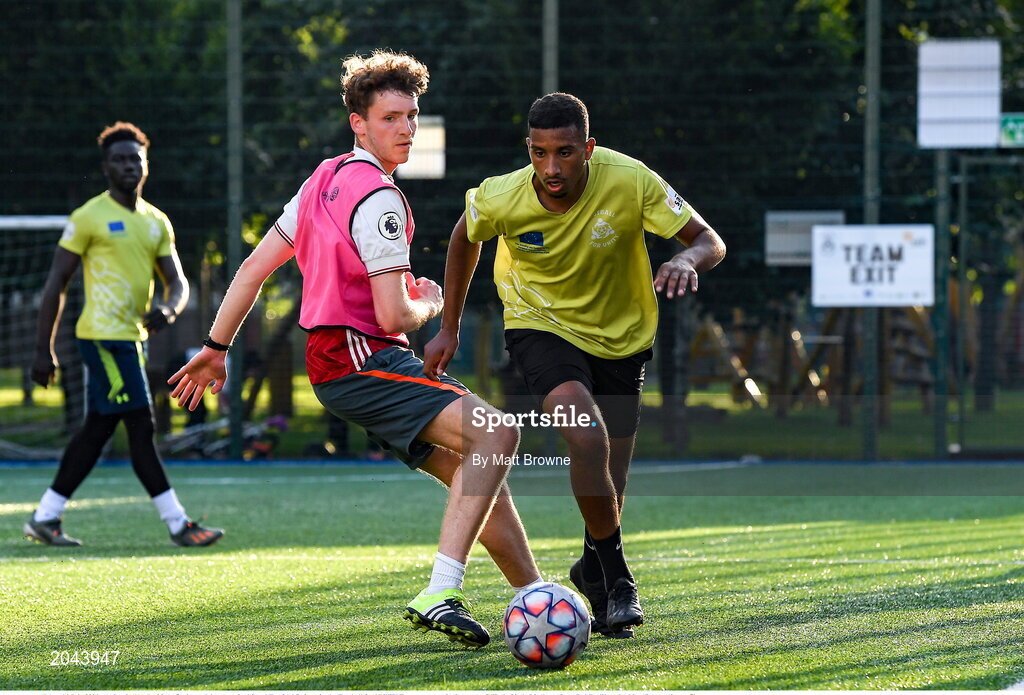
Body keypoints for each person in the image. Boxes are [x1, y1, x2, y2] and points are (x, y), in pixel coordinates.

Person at [167, 51, 542, 649]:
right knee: (498, 434)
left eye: (412, 116)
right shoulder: (379, 199)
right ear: (359, 124)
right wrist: (432, 301)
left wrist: (217, 345)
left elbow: (254, 268)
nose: (406, 129)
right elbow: (395, 314)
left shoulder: (323, 179)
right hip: (361, 357)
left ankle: (534, 597)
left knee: (475, 474)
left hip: (341, 364)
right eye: (391, 117)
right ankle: (441, 590)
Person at [424, 93, 727, 638]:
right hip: (539, 326)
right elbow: (464, 238)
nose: (552, 168)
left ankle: (592, 564)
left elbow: (709, 240)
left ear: (588, 147)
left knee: (612, 480)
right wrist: (450, 325)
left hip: (623, 337)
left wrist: (683, 258)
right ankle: (618, 580)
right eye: (540, 153)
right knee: (584, 435)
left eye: (565, 153)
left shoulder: (631, 180)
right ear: (529, 149)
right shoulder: (503, 195)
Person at [26, 122, 223, 548]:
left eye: (135, 158)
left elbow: (178, 281)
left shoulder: (156, 222)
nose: (128, 165)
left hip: (131, 340)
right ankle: (178, 523)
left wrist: (169, 308)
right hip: (101, 338)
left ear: (146, 164)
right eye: (119, 159)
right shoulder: (88, 217)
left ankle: (46, 517)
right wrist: (43, 350)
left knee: (98, 429)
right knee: (140, 423)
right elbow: (55, 284)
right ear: (105, 168)